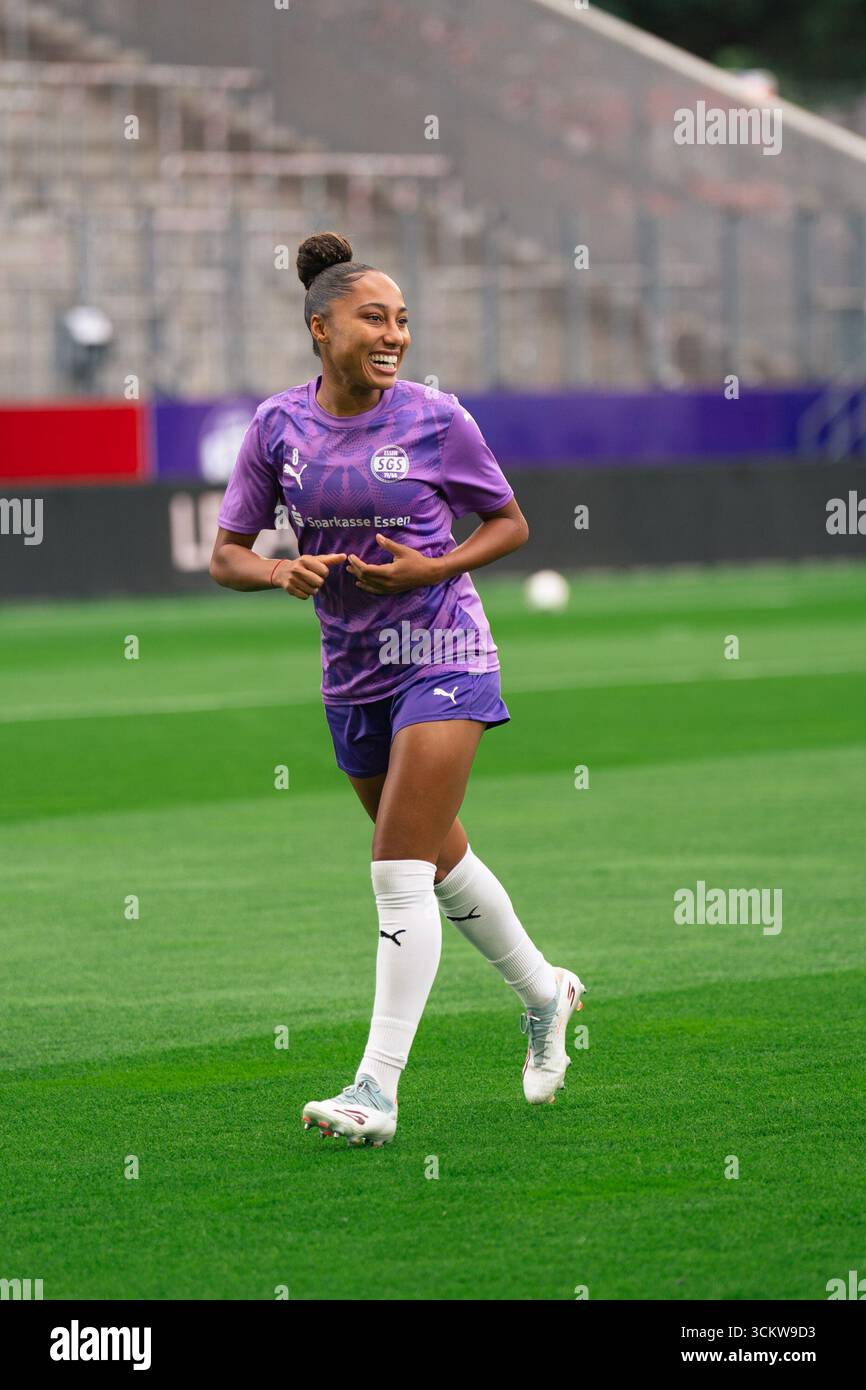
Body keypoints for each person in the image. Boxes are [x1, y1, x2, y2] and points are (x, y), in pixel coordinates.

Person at [210, 231, 585, 1147]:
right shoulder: (277, 428)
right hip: (351, 672)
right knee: (437, 858)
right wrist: (279, 575)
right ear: (320, 327)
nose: (394, 335)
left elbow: (511, 523)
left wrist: (433, 569)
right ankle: (545, 992)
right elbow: (226, 553)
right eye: (374, 318)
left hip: (445, 650)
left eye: (403, 321)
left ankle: (374, 1091)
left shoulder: (435, 418)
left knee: (396, 871)